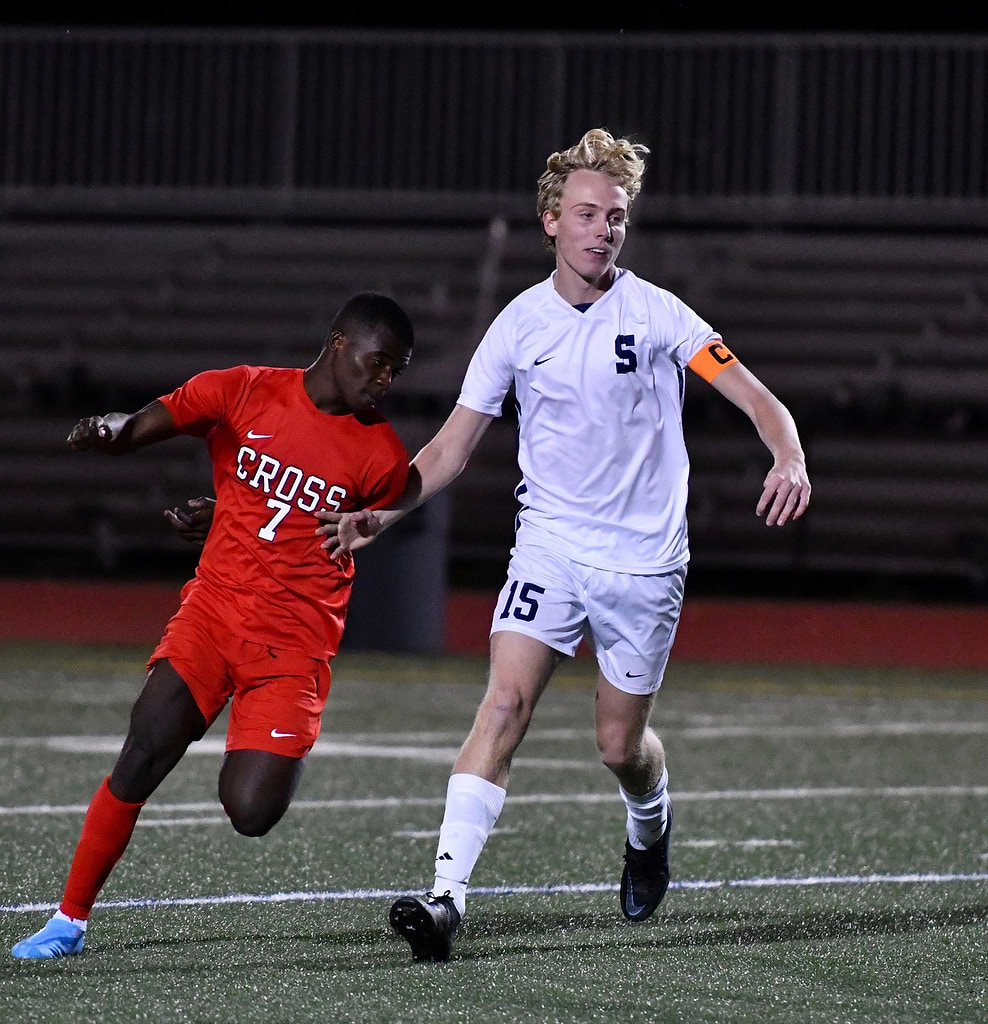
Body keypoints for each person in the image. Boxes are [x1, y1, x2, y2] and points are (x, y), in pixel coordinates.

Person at [315, 129, 811, 962]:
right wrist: (383, 513)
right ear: (551, 221)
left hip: (646, 564)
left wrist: (789, 453)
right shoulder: (518, 327)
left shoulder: (659, 314)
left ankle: (649, 825)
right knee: (503, 706)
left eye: (615, 216)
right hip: (548, 547)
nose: (602, 230)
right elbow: (449, 449)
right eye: (585, 214)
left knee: (619, 746)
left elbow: (759, 399)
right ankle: (444, 900)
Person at [11, 292, 414, 959]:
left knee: (250, 812)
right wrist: (111, 432)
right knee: (141, 751)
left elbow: (358, 519)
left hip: (294, 644)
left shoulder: (382, 457)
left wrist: (243, 507)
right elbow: (141, 425)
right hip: (214, 613)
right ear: (339, 343)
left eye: (394, 371)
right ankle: (68, 920)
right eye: (378, 363)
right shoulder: (243, 390)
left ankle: (279, 739)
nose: (384, 381)